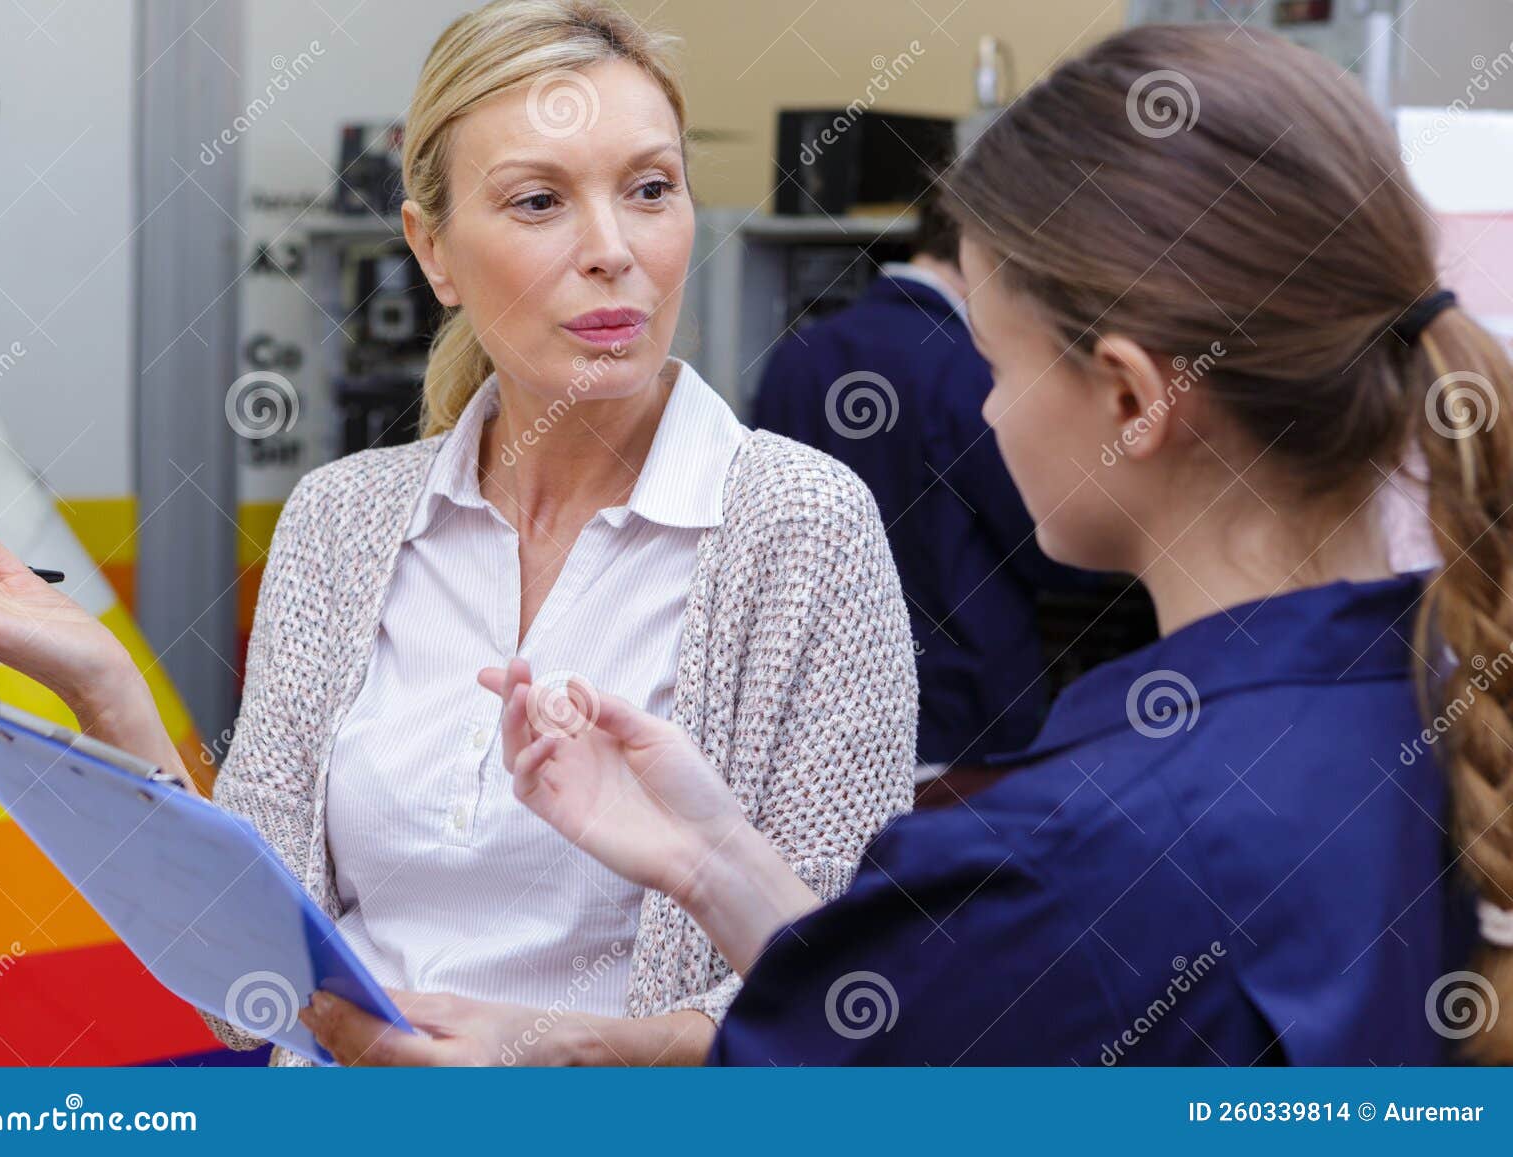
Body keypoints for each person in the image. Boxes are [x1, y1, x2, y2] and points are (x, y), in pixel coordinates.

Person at [301, 23, 1513, 1066]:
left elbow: (858, 1063)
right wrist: (715, 854)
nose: (980, 410)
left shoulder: (1075, 848)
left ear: (1135, 399)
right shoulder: (1440, 717)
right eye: (536, 197)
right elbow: (898, 1032)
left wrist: (577, 1046)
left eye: (993, 362)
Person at [0, 0, 915, 1068]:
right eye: (538, 200)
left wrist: (561, 1050)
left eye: (651, 189)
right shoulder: (343, 520)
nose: (614, 249)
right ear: (432, 250)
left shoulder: (801, 525)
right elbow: (248, 984)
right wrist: (110, 691)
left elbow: (843, 997)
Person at [752, 191, 1094, 789]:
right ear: (996, 258)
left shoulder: (796, 355)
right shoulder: (973, 370)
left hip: (817, 723)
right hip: (958, 724)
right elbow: (1050, 546)